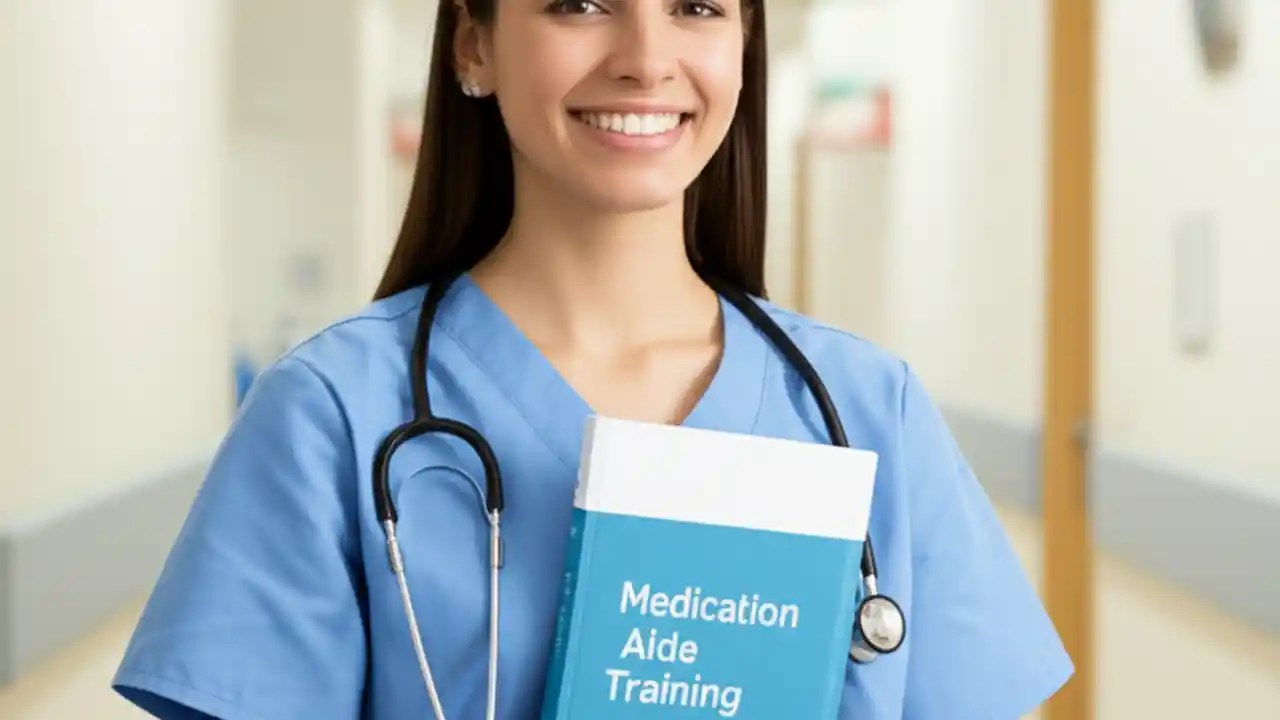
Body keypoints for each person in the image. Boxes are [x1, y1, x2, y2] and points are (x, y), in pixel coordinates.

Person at [112, 0, 1074, 717]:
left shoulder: (867, 410)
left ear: (744, 46)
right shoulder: (333, 414)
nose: (646, 59)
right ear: (473, 43)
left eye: (696, 7)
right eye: (580, 3)